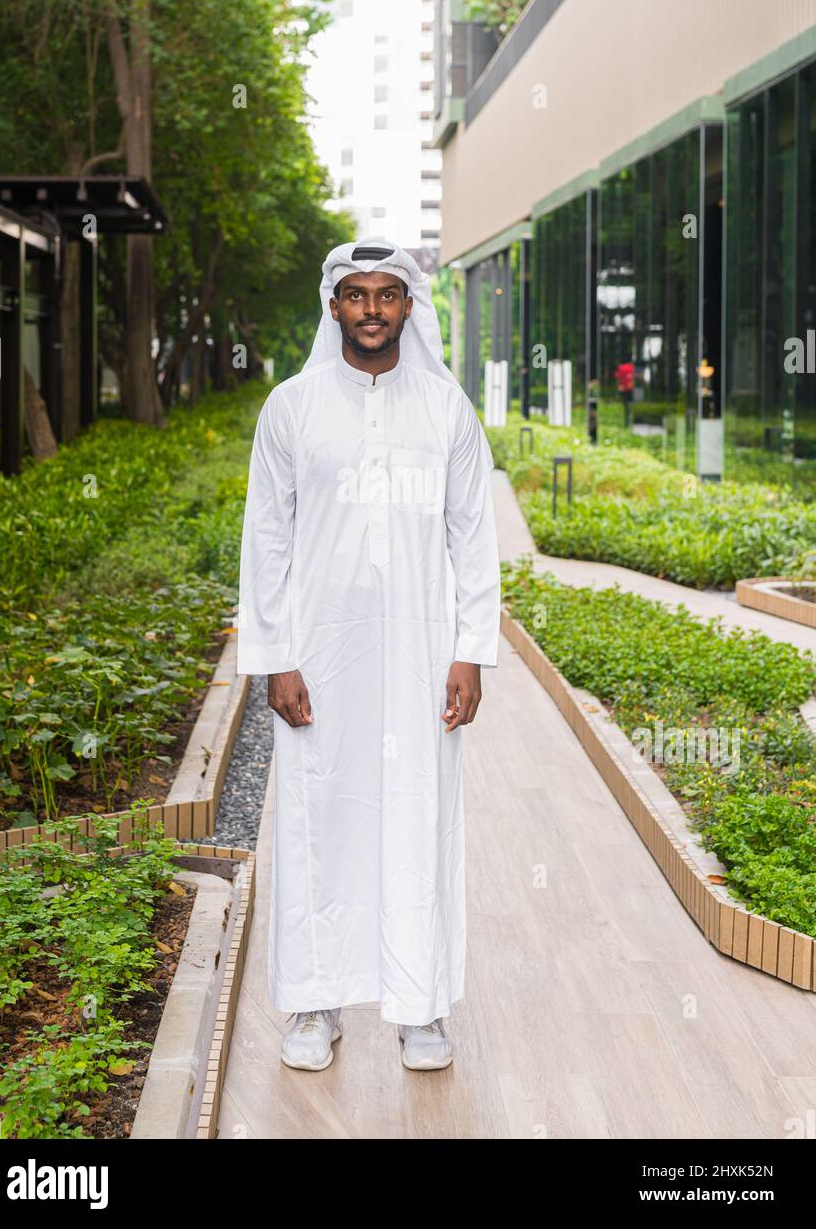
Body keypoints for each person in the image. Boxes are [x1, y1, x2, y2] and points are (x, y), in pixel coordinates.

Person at [237, 236, 501, 1073]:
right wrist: (274, 654)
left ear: (409, 306)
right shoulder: (292, 407)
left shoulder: (446, 410)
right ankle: (315, 1003)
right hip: (320, 660)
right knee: (320, 817)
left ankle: (418, 1008)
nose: (373, 309)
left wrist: (470, 651)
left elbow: (475, 537)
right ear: (333, 306)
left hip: (424, 659)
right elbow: (265, 540)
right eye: (358, 294)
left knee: (419, 816)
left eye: (389, 295)